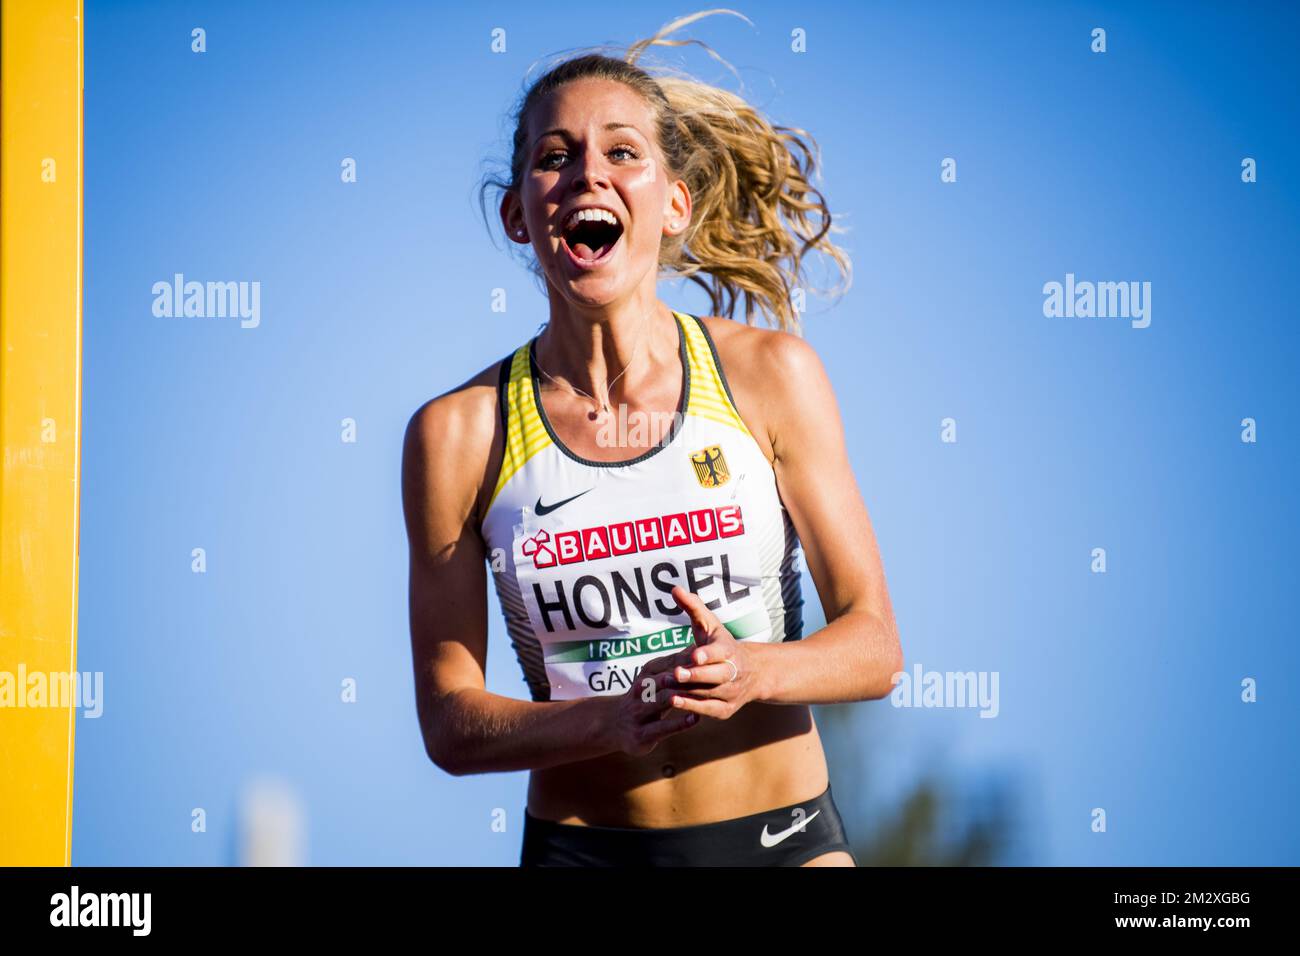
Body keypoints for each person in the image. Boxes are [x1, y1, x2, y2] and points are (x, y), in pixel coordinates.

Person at [401, 9, 901, 866]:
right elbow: (451, 724)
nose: (587, 173)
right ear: (521, 215)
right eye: (554, 158)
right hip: (583, 850)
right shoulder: (456, 432)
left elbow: (876, 647)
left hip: (783, 842)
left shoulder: (770, 376)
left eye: (623, 152)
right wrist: (606, 720)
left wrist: (755, 672)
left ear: (674, 205)